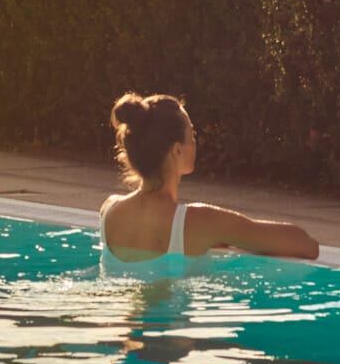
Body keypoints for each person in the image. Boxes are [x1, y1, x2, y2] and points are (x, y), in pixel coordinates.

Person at [98, 93, 320, 274]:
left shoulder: (109, 211)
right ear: (177, 150)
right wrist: (221, 236)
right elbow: (307, 245)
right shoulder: (199, 222)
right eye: (192, 135)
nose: (195, 142)